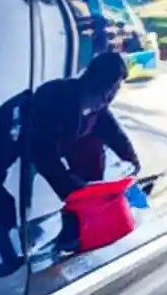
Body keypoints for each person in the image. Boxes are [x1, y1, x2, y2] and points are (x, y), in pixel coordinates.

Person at [28, 50, 140, 201]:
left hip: (67, 168)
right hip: (11, 152)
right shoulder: (58, 99)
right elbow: (42, 151)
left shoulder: (95, 105)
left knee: (92, 143)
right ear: (103, 83)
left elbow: (114, 133)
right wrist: (68, 189)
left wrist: (131, 162)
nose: (113, 94)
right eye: (114, 87)